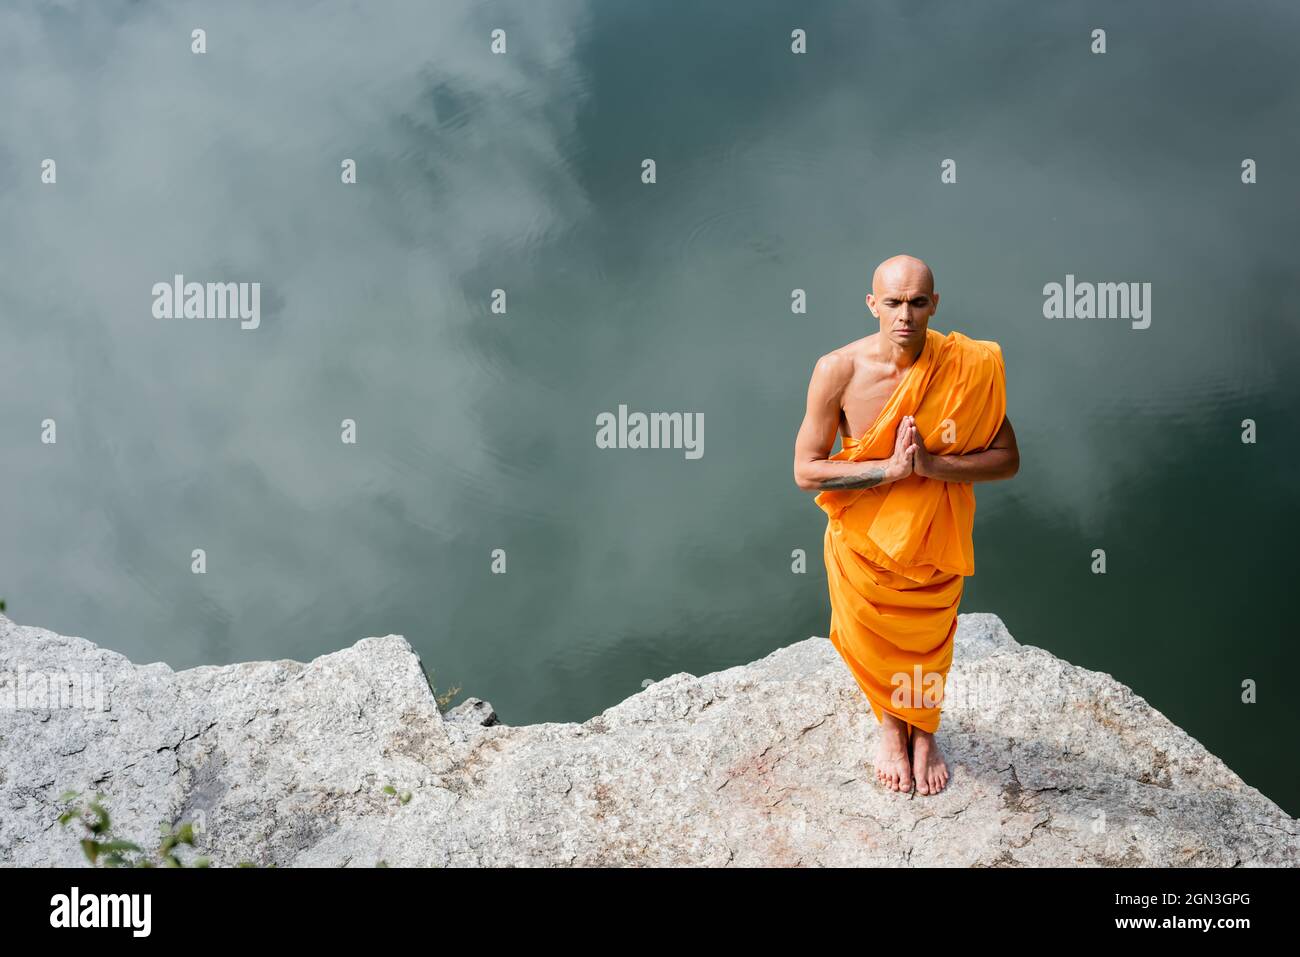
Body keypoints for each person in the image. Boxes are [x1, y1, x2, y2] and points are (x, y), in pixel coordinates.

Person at [792, 254, 1019, 795]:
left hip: (934, 539)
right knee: (874, 640)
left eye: (918, 303)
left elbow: (1007, 458)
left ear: (934, 305)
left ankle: (925, 731)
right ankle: (893, 728)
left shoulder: (967, 367)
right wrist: (888, 470)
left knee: (927, 641)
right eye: (893, 303)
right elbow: (806, 470)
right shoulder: (838, 370)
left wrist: (934, 466)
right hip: (865, 544)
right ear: (873, 304)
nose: (905, 316)